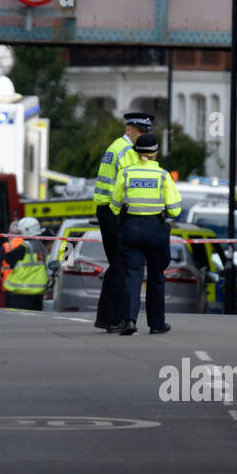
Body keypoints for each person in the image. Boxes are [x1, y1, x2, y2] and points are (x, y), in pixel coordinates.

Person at [109, 132, 182, 335]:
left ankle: (129, 321)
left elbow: (114, 206)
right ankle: (157, 324)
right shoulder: (162, 175)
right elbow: (175, 209)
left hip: (130, 229)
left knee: (133, 275)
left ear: (136, 151)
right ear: (155, 153)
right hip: (156, 230)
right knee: (156, 276)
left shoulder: (125, 173)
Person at [93, 111, 154, 332]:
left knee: (118, 264)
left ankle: (107, 318)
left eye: (146, 132)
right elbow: (129, 184)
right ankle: (113, 319)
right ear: (129, 129)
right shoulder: (125, 151)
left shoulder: (118, 148)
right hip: (114, 210)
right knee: (121, 264)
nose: (143, 135)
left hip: (108, 209)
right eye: (141, 131)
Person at [1, 217, 49, 309]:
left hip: (22, 293)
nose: (20, 234)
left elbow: (9, 258)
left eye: (20, 231)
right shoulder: (42, 247)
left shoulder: (25, 247)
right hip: (38, 293)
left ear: (27, 230)